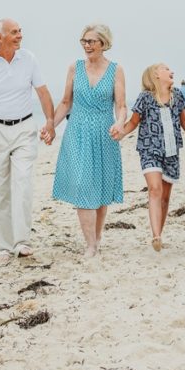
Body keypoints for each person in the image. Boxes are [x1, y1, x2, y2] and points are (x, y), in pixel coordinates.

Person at [0, 19, 56, 262]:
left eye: (20, 31)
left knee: (23, 184)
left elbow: (43, 92)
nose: (20, 35)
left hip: (24, 129)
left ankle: (22, 241)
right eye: (14, 32)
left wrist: (50, 121)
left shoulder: (29, 59)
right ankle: (4, 245)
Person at [51, 24, 126, 258]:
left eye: (91, 41)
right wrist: (50, 125)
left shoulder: (116, 70)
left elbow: (121, 106)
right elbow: (66, 102)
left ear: (103, 43)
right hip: (77, 133)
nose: (86, 45)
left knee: (101, 191)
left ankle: (97, 237)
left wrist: (120, 123)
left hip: (105, 134)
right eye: (84, 41)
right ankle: (90, 245)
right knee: (84, 186)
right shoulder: (75, 68)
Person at [113, 63, 185, 252]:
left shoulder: (177, 95)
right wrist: (121, 132)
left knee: (165, 197)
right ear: (156, 75)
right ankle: (156, 235)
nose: (171, 71)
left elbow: (184, 120)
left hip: (172, 152)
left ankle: (160, 233)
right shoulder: (145, 97)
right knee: (155, 189)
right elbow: (134, 121)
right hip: (149, 149)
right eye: (166, 69)